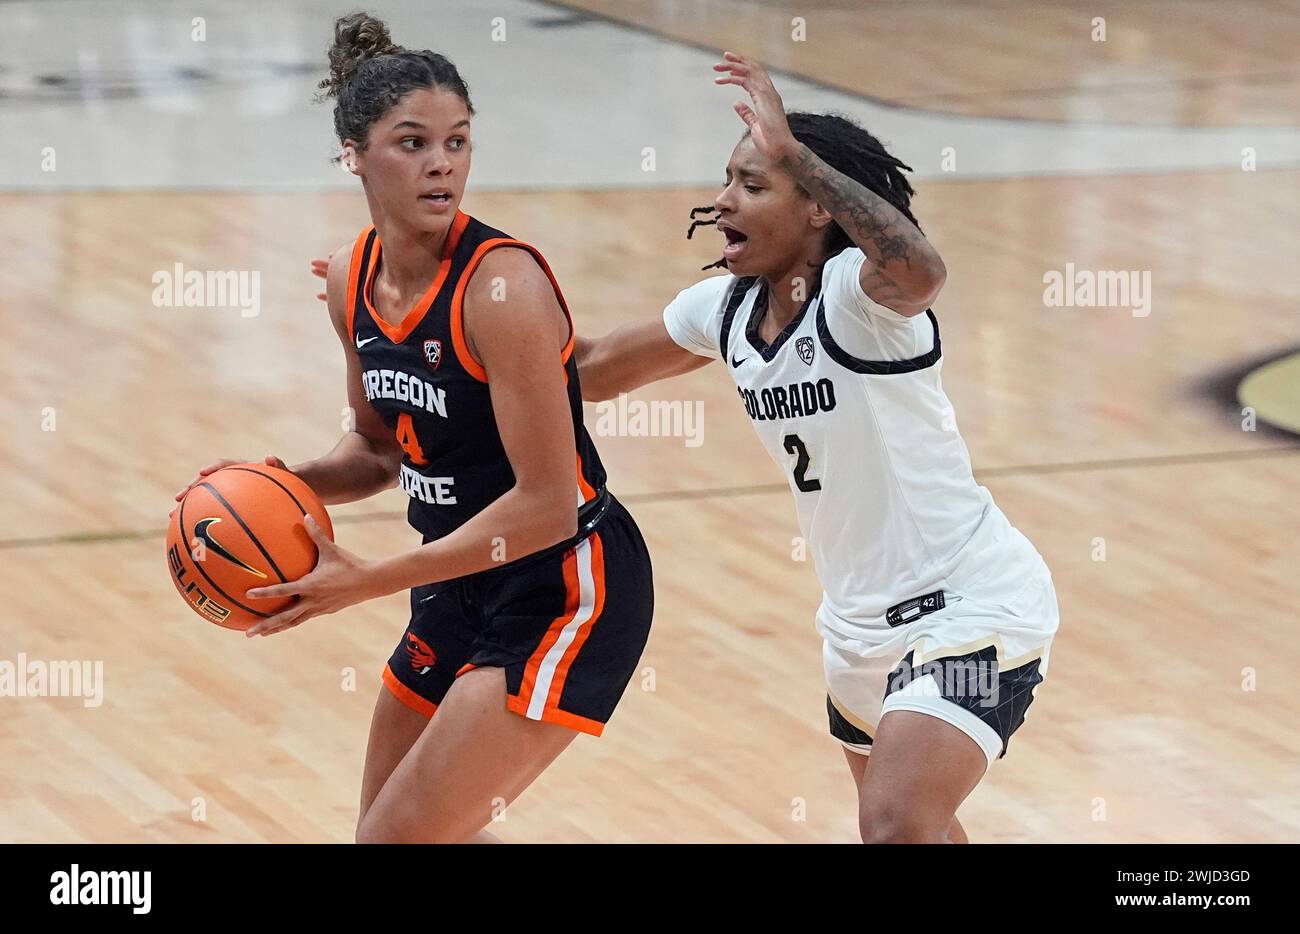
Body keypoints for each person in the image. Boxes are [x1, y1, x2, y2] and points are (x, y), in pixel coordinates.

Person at [175, 12, 654, 844]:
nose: (442, 163)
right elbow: (374, 450)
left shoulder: (502, 290)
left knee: (395, 838)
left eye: (458, 141)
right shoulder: (350, 279)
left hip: (564, 584)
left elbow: (545, 504)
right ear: (353, 153)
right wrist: (282, 480)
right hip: (458, 581)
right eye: (412, 143)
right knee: (405, 834)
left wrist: (371, 577)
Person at [572, 53, 1059, 843]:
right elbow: (591, 373)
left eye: (755, 184)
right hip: (857, 632)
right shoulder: (723, 311)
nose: (724, 200)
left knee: (898, 819)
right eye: (730, 179)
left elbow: (920, 266)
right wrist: (431, 308)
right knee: (916, 830)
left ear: (818, 210)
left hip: (973, 614)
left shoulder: (862, 304)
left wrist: (796, 151)